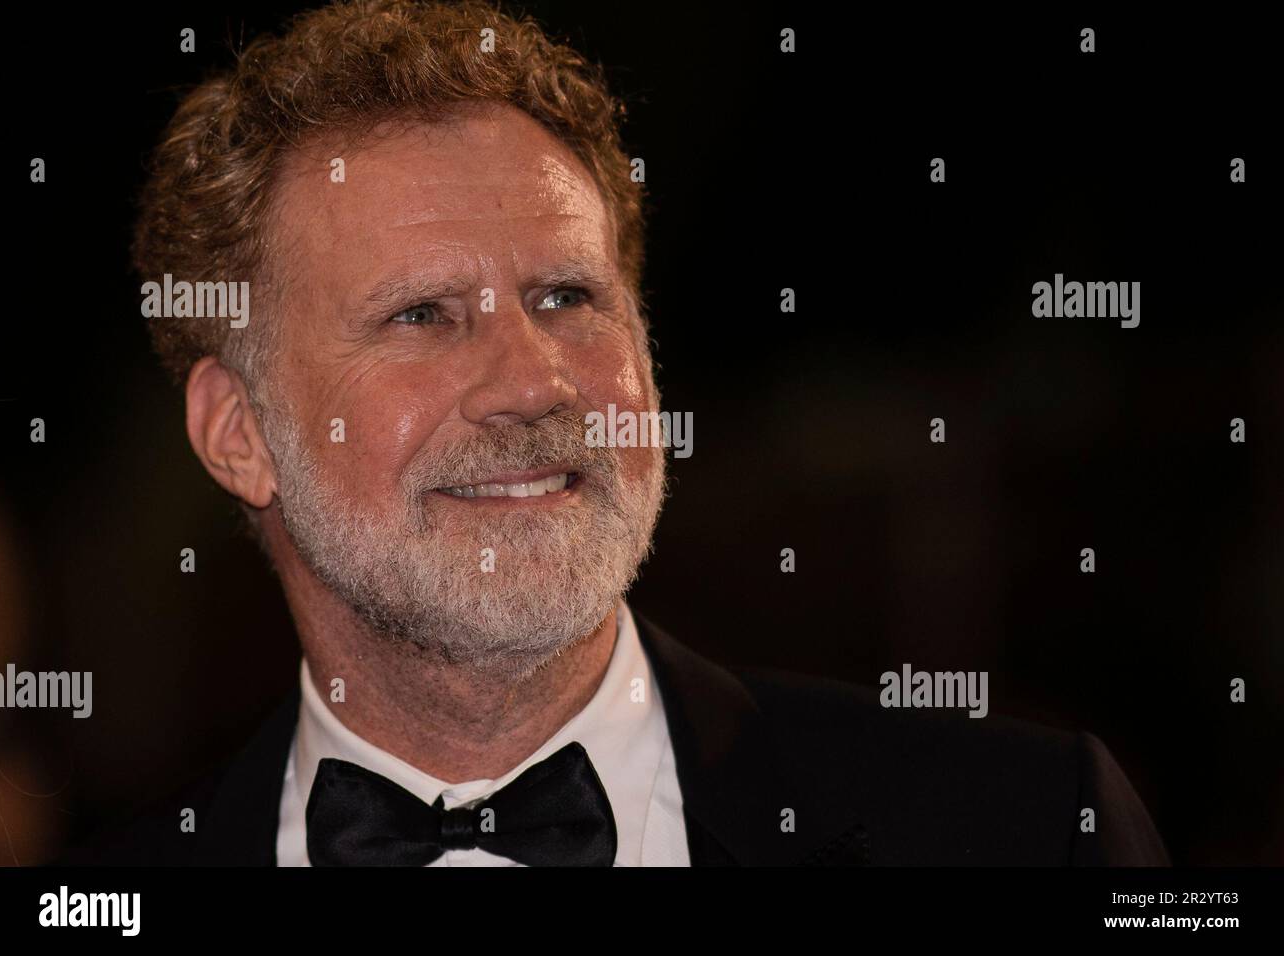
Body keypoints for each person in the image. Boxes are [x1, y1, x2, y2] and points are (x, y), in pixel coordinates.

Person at [64, 0, 1168, 866]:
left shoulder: (1021, 830)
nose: (534, 383)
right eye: (421, 315)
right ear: (237, 431)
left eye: (566, 298)